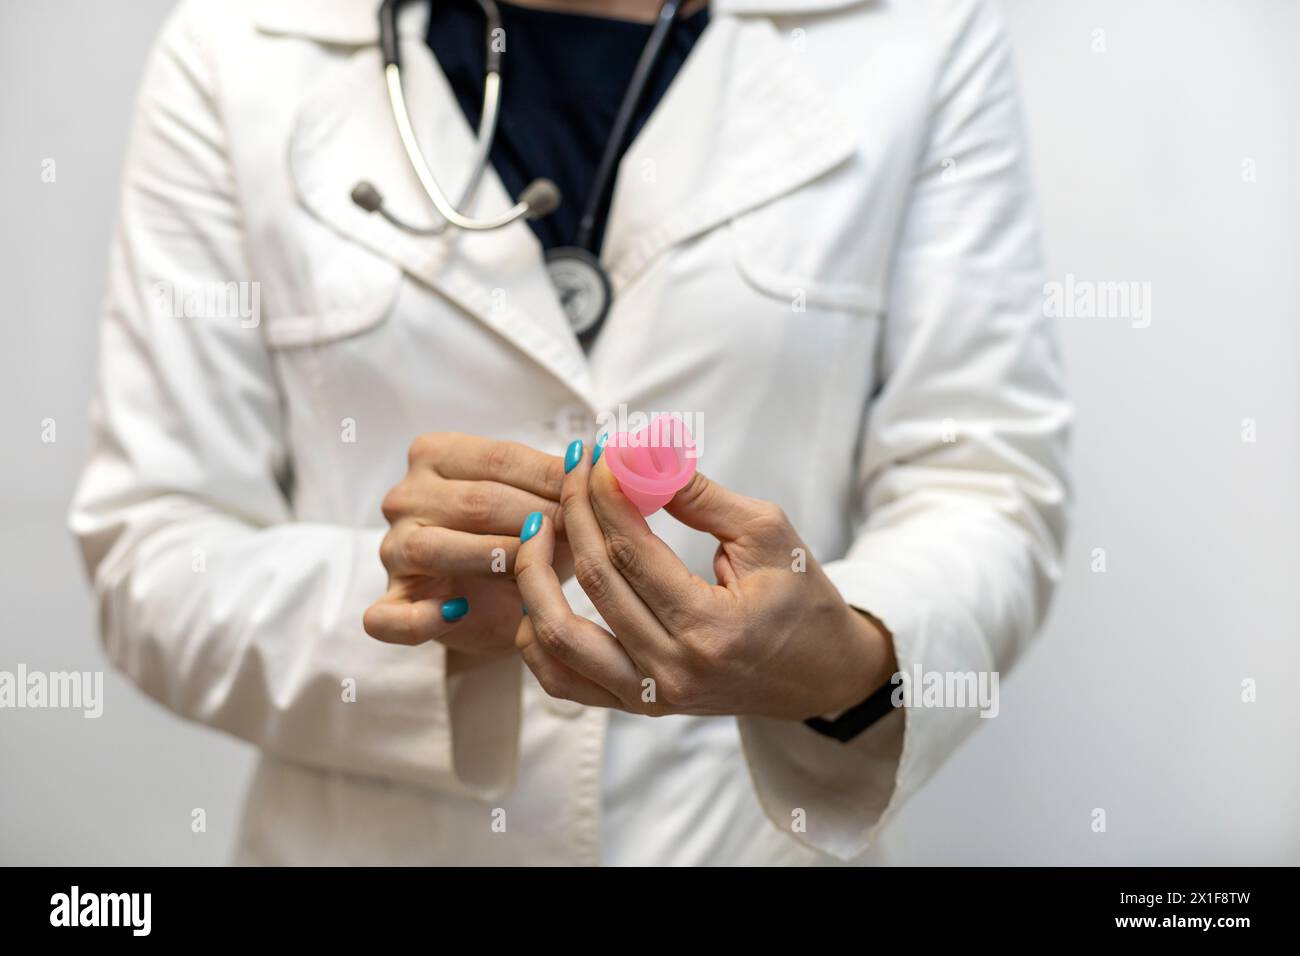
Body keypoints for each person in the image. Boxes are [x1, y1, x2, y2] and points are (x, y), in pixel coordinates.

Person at [70, 0, 1070, 865]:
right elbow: (153, 543)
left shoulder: (912, 33)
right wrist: (439, 613)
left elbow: (984, 485)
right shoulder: (238, 44)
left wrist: (846, 651)